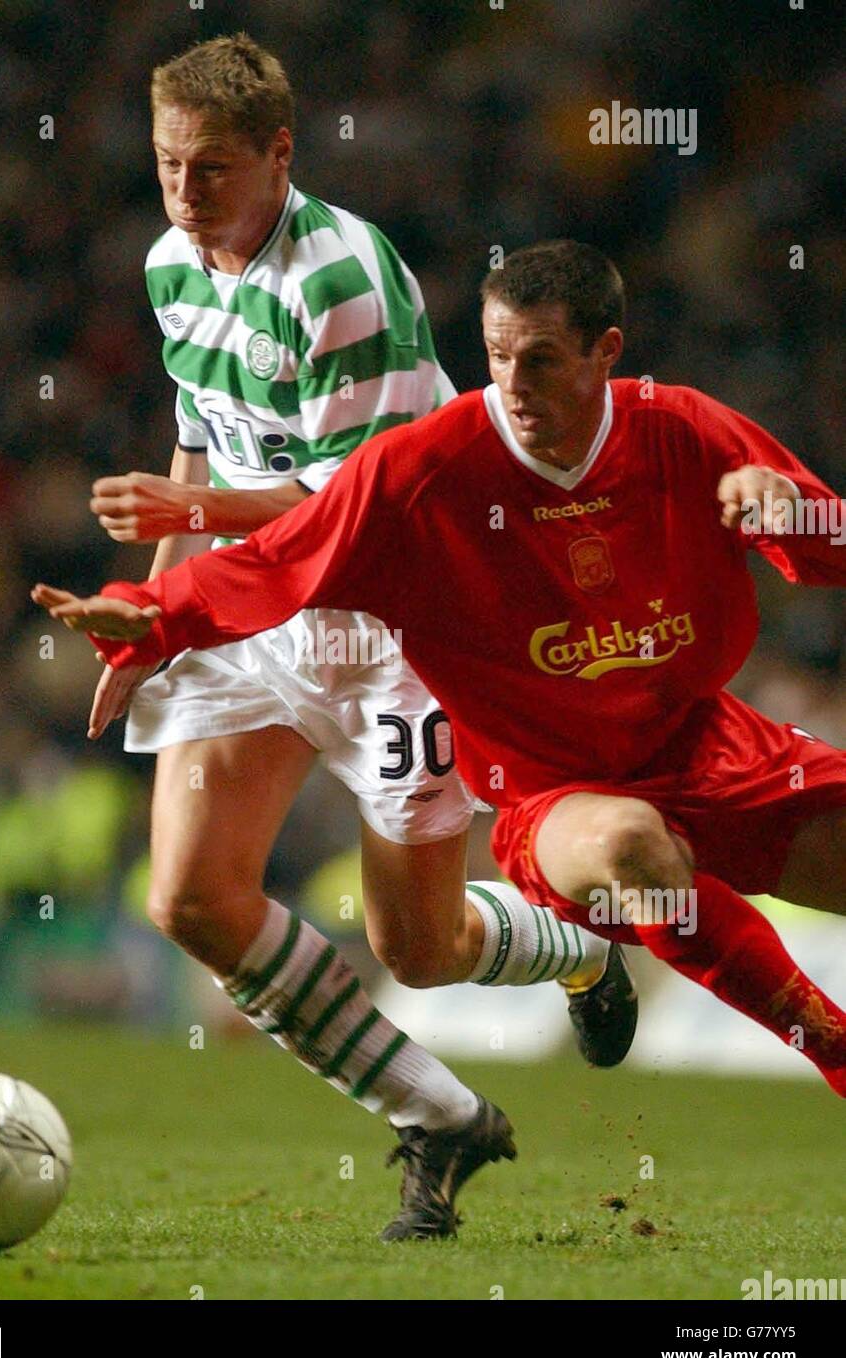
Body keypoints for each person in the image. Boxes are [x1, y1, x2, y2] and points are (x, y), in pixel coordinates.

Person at [35, 237, 846, 1101]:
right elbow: (279, 561)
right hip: (555, 799)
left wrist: (796, 514)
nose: (514, 385)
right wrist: (151, 616)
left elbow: (831, 544)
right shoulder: (422, 470)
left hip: (710, 744)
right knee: (629, 849)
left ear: (605, 351)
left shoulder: (679, 427)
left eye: (541, 360)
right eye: (497, 357)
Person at [72, 38, 633, 1242]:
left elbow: (351, 513)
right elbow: (202, 436)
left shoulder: (340, 278)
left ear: (280, 153)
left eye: (211, 167)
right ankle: (440, 1115)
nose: (183, 191)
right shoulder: (171, 265)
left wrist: (191, 523)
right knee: (192, 897)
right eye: (167, 164)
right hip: (260, 608)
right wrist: (155, 620)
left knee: (418, 947)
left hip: (398, 622)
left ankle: (580, 949)